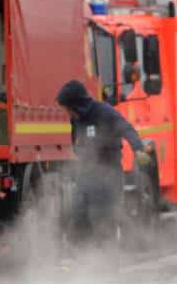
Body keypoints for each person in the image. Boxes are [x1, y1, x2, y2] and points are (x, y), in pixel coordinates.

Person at [56, 80, 152, 247]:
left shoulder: (105, 112)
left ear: (78, 104)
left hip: (109, 174)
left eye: (68, 108)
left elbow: (127, 129)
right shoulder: (75, 119)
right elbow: (76, 142)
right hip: (86, 174)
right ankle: (82, 263)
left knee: (102, 220)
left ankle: (108, 264)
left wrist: (139, 149)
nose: (68, 113)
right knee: (78, 218)